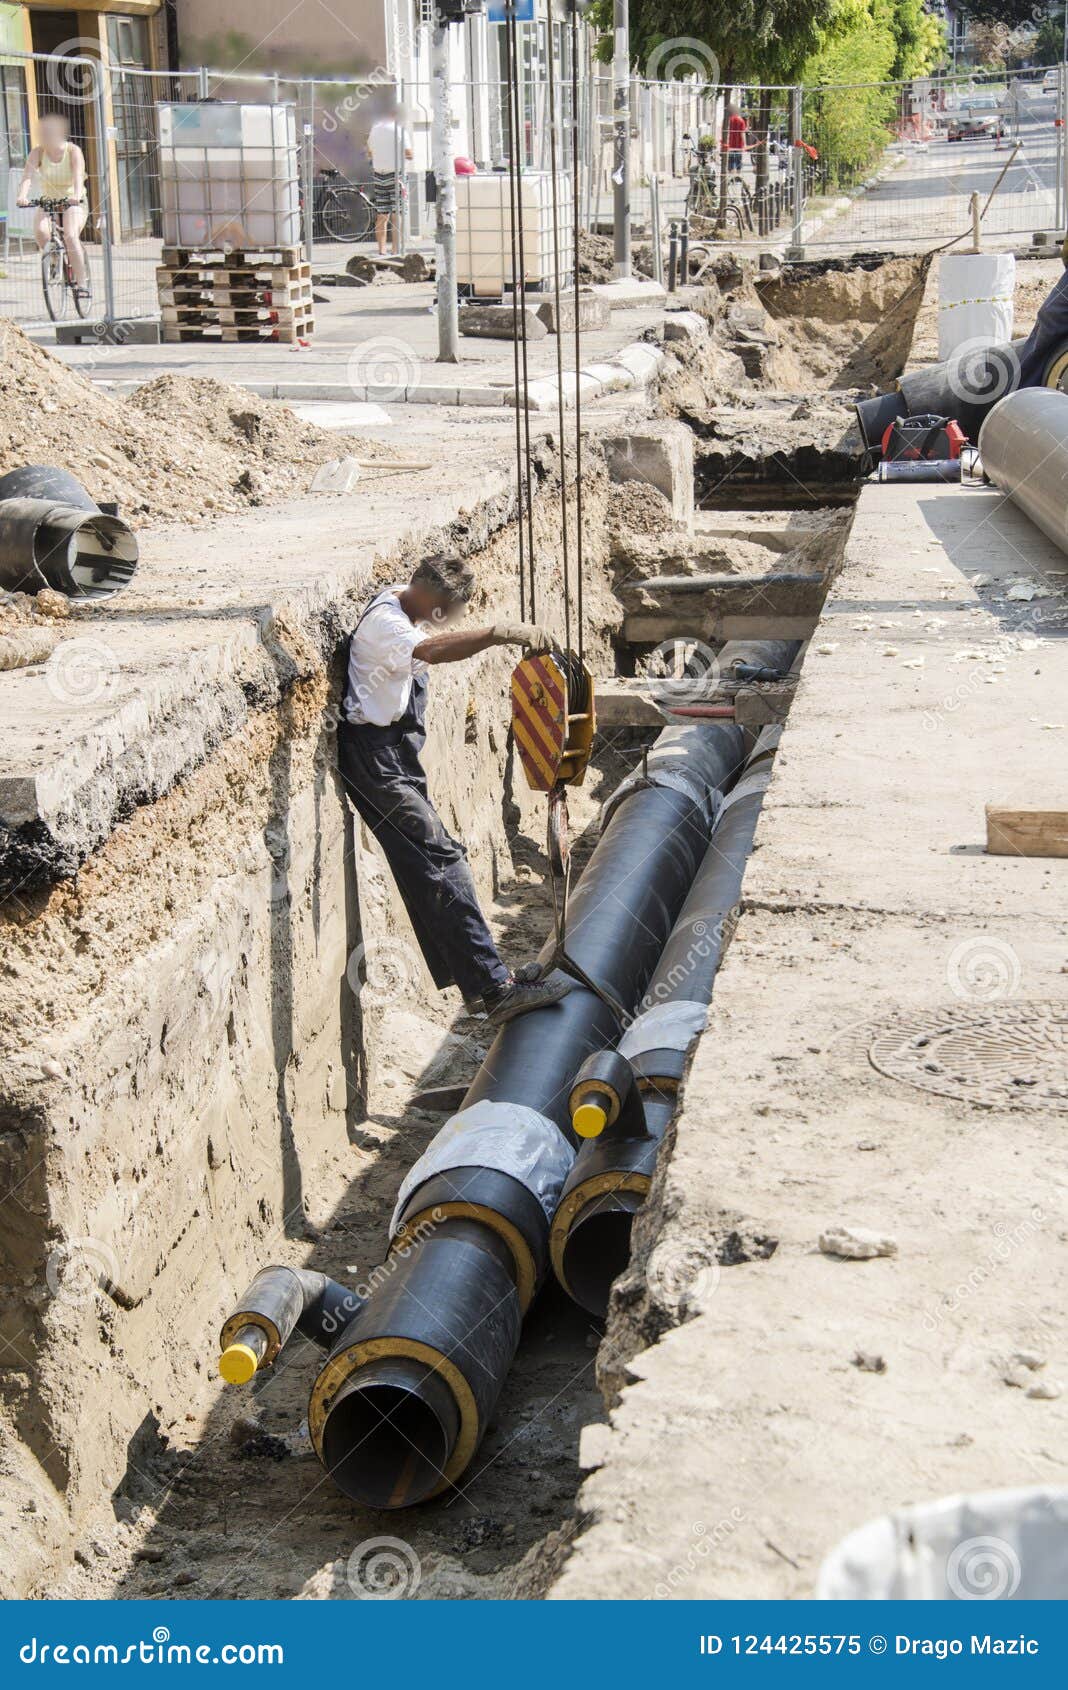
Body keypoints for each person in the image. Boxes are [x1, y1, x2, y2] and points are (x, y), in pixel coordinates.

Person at [338, 555, 573, 1026]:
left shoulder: (402, 605)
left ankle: (482, 983)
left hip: (395, 752)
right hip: (374, 759)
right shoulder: (389, 625)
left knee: (431, 864)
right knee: (442, 861)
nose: (449, 619)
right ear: (429, 595)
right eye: (448, 609)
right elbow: (434, 651)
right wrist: (496, 634)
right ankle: (492, 987)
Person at [16, 111, 89, 298]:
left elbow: (78, 176)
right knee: (41, 231)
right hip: (49, 201)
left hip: (72, 200)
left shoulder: (73, 151)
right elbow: (27, 177)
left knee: (71, 236)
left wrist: (77, 195)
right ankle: (55, 258)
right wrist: (22, 196)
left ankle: (82, 283)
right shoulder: (37, 152)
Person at [365, 101, 413, 256]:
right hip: (396, 175)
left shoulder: (374, 130)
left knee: (382, 214)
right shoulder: (399, 131)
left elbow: (370, 153)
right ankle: (396, 250)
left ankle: (381, 250)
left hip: (379, 175)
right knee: (397, 214)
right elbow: (409, 154)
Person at [726, 107, 748, 174]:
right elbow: (742, 133)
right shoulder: (741, 121)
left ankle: (731, 177)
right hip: (739, 145)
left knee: (731, 160)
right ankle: (738, 176)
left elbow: (726, 132)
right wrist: (745, 144)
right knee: (738, 160)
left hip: (731, 144)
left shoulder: (729, 120)